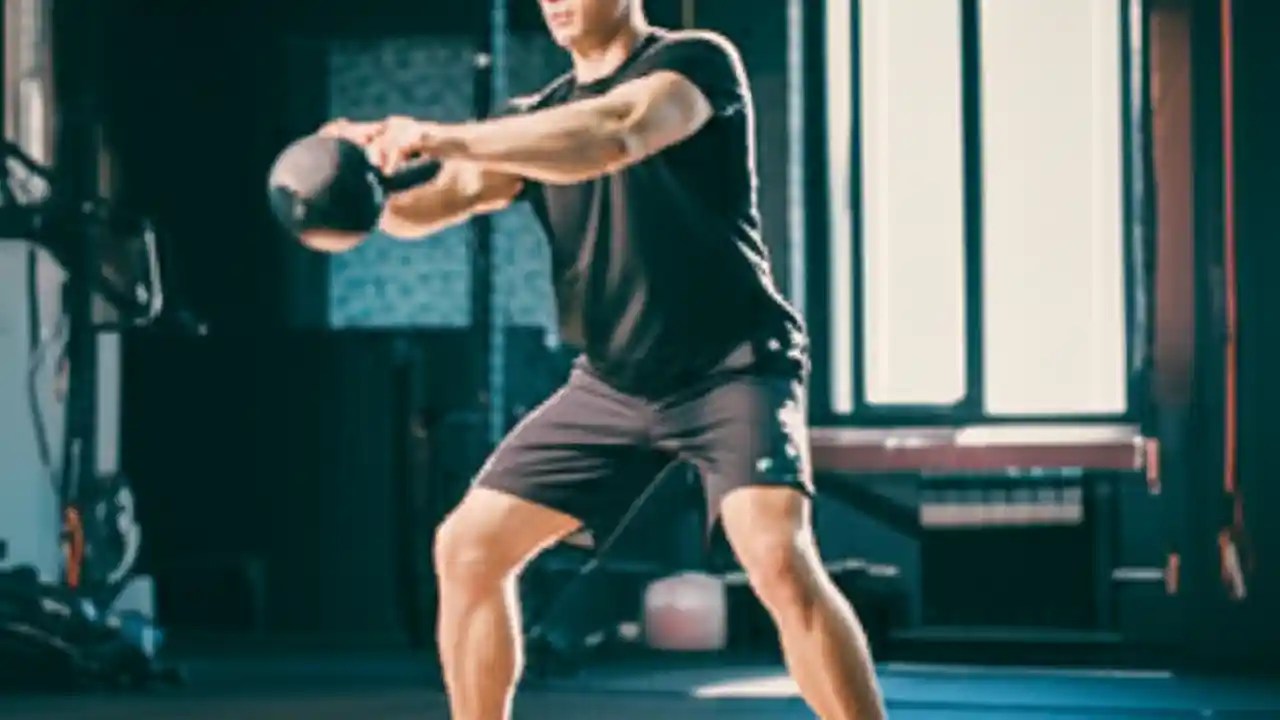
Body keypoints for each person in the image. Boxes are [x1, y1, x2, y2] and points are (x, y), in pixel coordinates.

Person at [320, 1, 887, 718]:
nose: (554, 1)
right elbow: (435, 204)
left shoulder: (693, 64)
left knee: (775, 555)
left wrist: (438, 135)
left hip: (733, 365)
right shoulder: (537, 118)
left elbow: (615, 133)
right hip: (615, 384)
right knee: (468, 548)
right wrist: (355, 178)